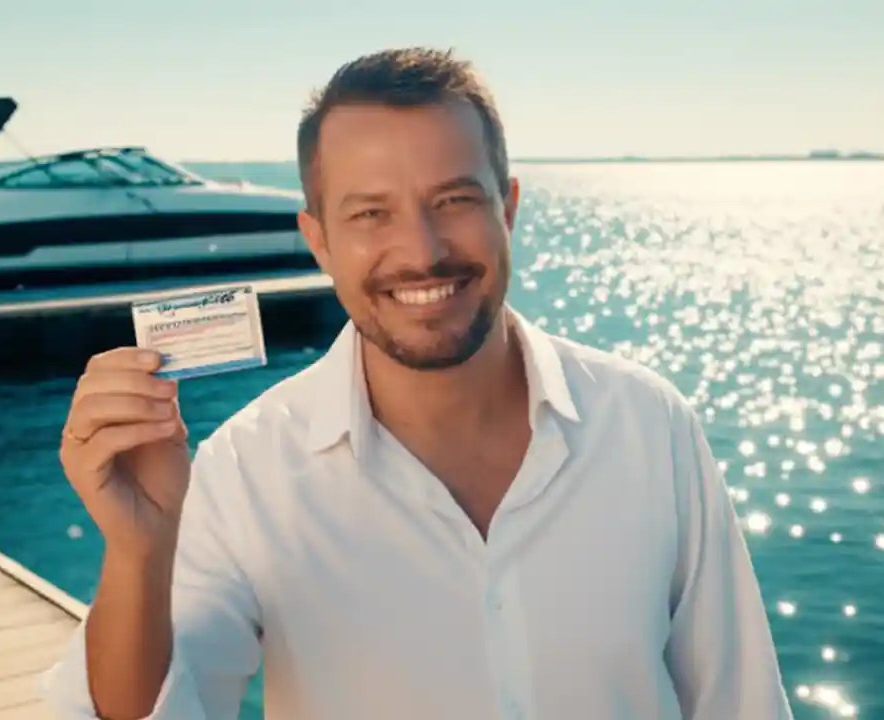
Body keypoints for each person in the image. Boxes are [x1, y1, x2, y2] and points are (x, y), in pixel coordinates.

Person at [40, 46, 794, 720]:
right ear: (318, 242)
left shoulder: (647, 423)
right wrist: (139, 554)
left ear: (508, 208)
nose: (422, 251)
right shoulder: (248, 470)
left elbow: (739, 701)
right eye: (371, 213)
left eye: (454, 201)